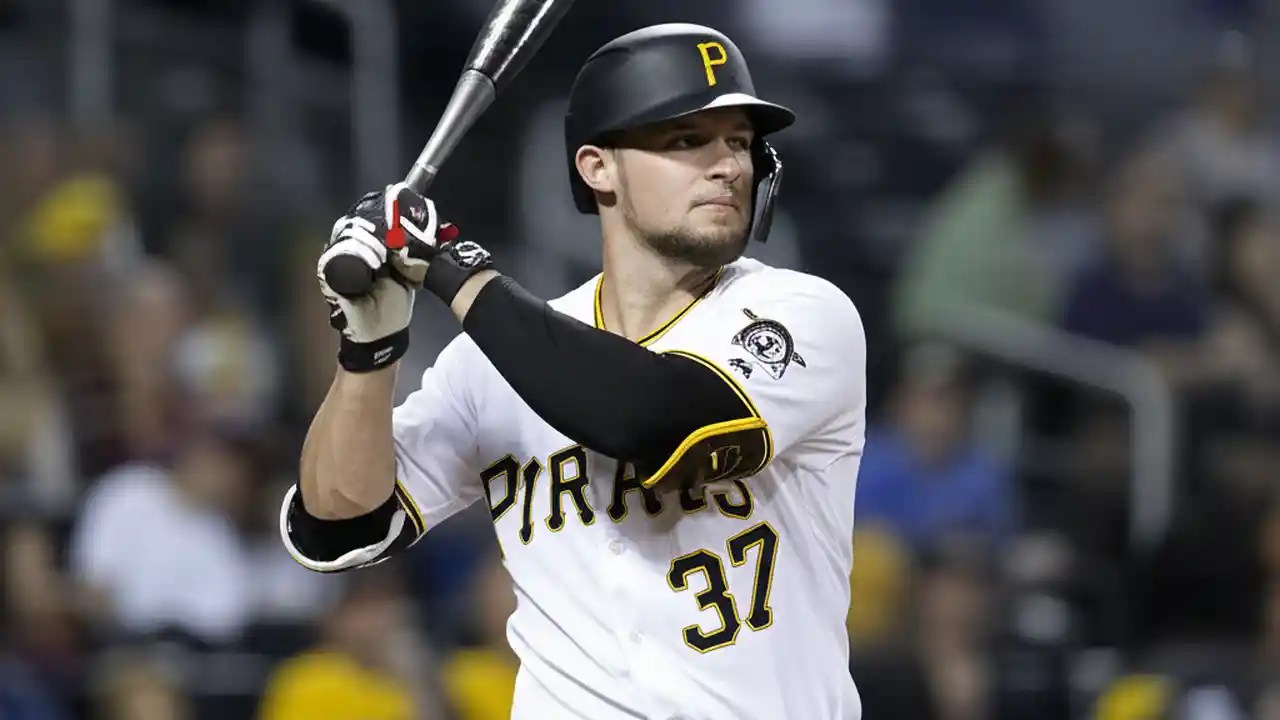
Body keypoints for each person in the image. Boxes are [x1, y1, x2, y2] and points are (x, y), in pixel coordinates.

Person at [280, 24, 867, 719]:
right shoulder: (491, 360)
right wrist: (367, 356)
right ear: (597, 167)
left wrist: (450, 266)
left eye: (739, 142)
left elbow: (653, 420)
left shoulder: (798, 315)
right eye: (687, 140)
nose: (728, 165)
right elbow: (339, 522)